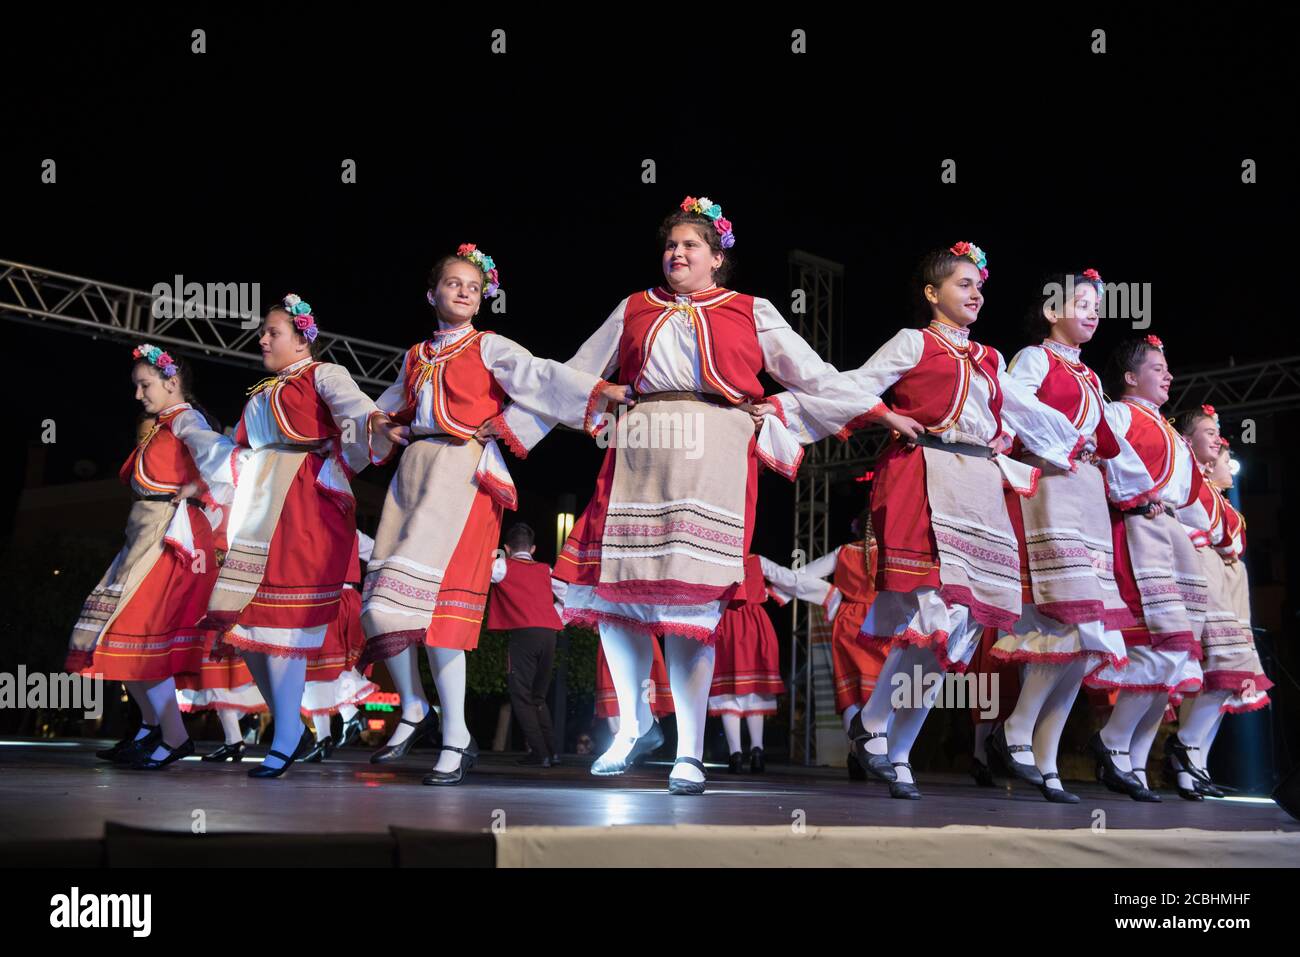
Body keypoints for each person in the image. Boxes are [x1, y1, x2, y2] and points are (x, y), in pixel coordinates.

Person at [496, 196, 895, 794]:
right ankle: (633, 724)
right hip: (638, 451)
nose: (676, 253)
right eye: (671, 244)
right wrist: (542, 413)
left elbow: (815, 377)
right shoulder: (633, 307)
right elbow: (572, 369)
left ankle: (687, 751)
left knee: (692, 611)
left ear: (717, 258)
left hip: (713, 454)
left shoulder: (750, 310)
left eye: (691, 245)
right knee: (611, 596)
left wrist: (877, 410)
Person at [772, 242, 1082, 799]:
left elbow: (1026, 411)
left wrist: (1077, 442)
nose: (975, 293)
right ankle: (873, 728)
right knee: (935, 611)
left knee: (958, 633)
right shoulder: (913, 341)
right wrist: (877, 413)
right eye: (963, 284)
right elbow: (855, 384)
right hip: (922, 475)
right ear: (932, 294)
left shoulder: (988, 359)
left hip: (978, 486)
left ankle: (891, 747)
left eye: (979, 286)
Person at [361, 245, 625, 785]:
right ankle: (415, 706)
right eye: (453, 283)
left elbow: (542, 377)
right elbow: (383, 407)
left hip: (463, 473)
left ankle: (456, 737)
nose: (463, 292)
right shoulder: (416, 356)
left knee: (440, 619)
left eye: (473, 287)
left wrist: (595, 392)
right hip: (413, 472)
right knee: (382, 606)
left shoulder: (489, 345)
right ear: (431, 293)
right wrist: (378, 424)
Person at [195, 294, 378, 777]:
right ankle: (289, 725)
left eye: (273, 332)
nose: (263, 338)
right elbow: (233, 452)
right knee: (245, 625)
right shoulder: (260, 393)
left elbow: (356, 412)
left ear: (302, 340)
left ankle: (288, 735)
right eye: (264, 332)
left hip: (302, 505)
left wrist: (370, 429)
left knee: (284, 626)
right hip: (258, 506)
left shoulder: (324, 374)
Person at [982, 269, 1131, 803]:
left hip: (1086, 493)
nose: (1093, 312)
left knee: (1091, 637)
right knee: (1067, 619)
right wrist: (1066, 439)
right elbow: (1013, 403)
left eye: (1097, 306)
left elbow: (1113, 442)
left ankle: (1045, 757)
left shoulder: (1090, 377)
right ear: (1051, 311)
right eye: (1083, 303)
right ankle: (1017, 729)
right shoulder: (1034, 358)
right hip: (1052, 485)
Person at [69, 347, 232, 770]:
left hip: (167, 537)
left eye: (146, 385)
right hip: (144, 534)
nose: (139, 394)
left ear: (171, 383)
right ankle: (153, 729)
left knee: (136, 634)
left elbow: (222, 455)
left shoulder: (185, 419)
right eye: (137, 385)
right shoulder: (165, 424)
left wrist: (199, 488)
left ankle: (174, 736)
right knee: (117, 637)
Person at [1084, 335, 1208, 801]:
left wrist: (1200, 535)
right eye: (1157, 367)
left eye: (1167, 367)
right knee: (1161, 648)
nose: (1168, 374)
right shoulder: (1117, 414)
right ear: (1131, 377)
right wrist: (1140, 497)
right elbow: (1110, 464)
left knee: (1177, 656)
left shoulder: (1174, 434)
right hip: (1138, 531)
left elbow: (1192, 497)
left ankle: (1132, 762)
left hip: (1169, 536)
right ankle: (1113, 742)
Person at [1167, 412, 1272, 798]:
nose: (1230, 467)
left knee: (1224, 682)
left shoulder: (1223, 502)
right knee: (1222, 670)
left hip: (1229, 584)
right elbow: (1216, 536)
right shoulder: (1196, 489)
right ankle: (1186, 747)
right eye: (1226, 460)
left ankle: (1195, 765)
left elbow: (1231, 541)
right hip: (1207, 576)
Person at [487, 522, 567, 767]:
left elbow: (484, 568)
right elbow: (567, 595)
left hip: (524, 634)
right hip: (550, 633)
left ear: (507, 548)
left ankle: (540, 754)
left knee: (521, 695)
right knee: (538, 697)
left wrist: (495, 552)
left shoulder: (502, 565)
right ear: (532, 548)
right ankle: (551, 752)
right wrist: (552, 615)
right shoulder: (547, 570)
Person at [706, 554, 788, 773]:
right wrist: (775, 593)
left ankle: (735, 754)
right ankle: (757, 751)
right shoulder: (757, 560)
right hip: (754, 624)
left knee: (728, 690)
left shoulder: (718, 556)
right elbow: (787, 577)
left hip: (727, 623)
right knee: (754, 689)